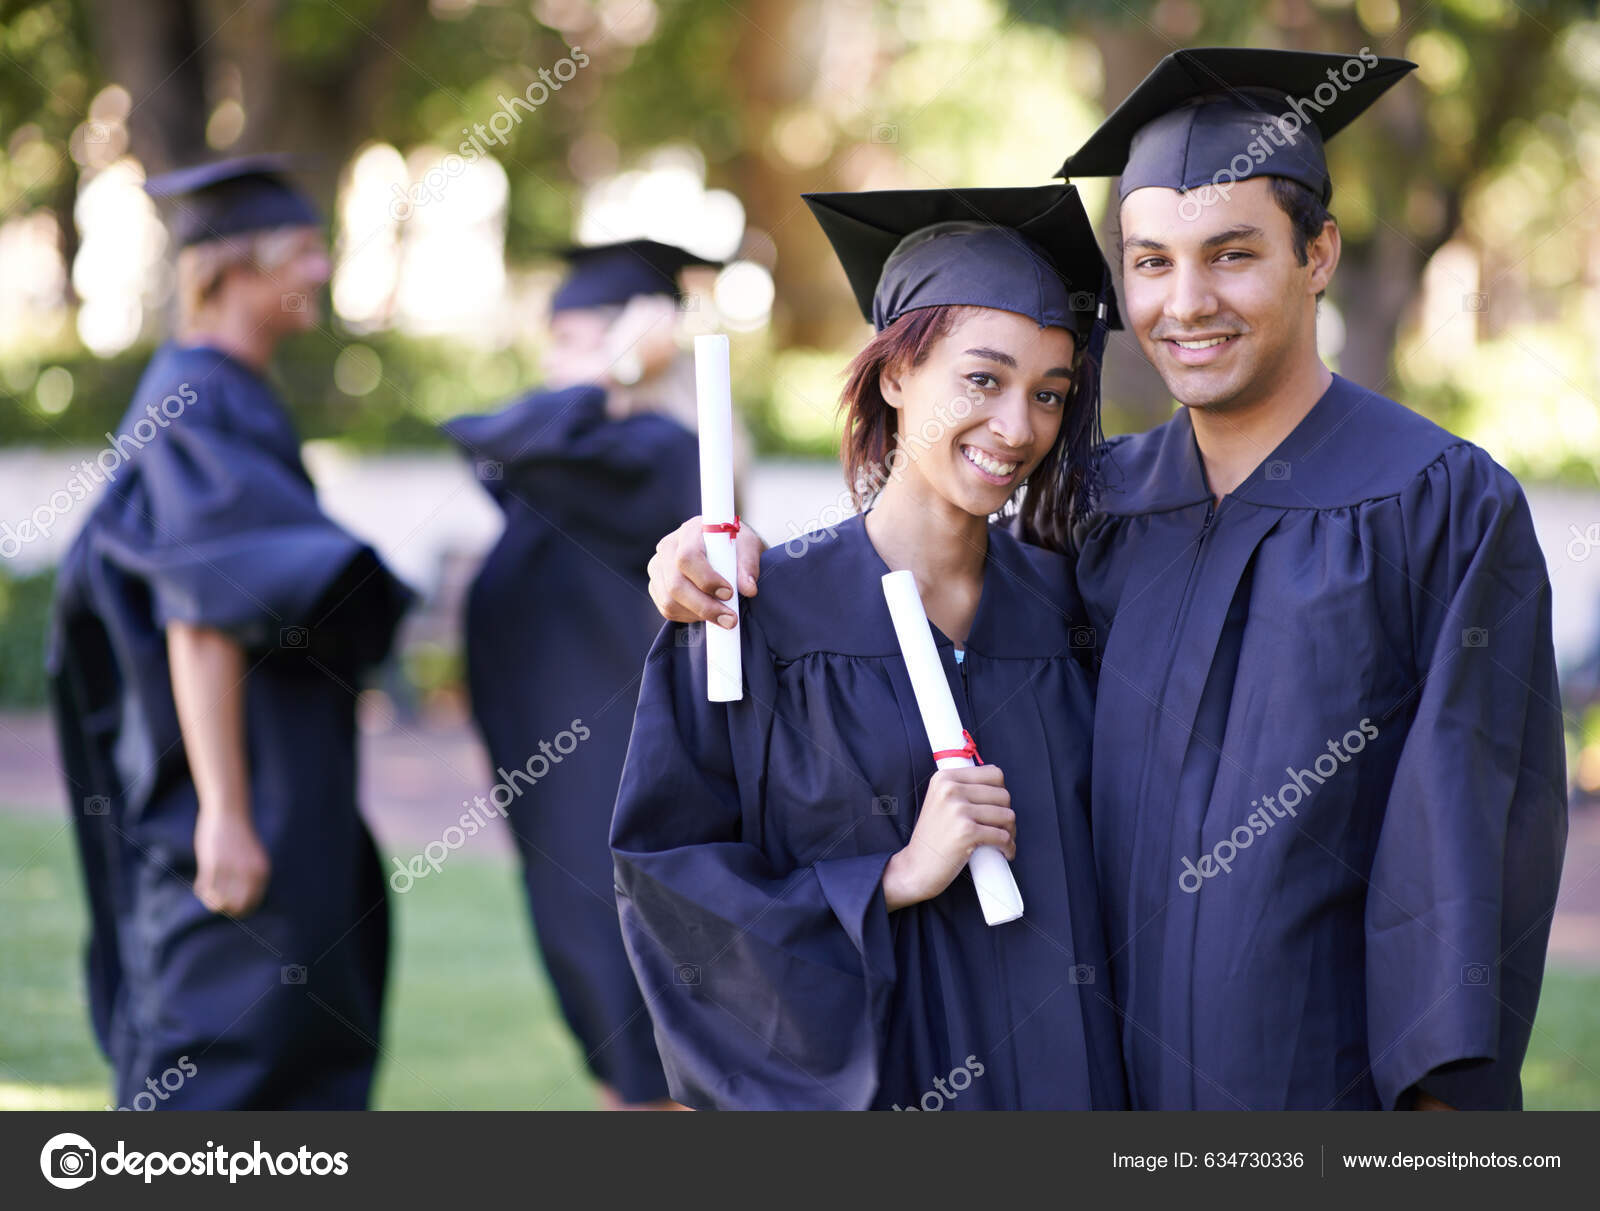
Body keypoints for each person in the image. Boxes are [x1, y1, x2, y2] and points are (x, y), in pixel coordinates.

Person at [646, 48, 1569, 1111]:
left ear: (1318, 253)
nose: (1186, 302)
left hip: (1316, 1086)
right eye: (1149, 261)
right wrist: (690, 567)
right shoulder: (1098, 510)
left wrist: (1435, 1105)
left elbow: (1463, 841)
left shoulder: (1436, 503)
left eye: (1231, 255)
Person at [611, 184, 1128, 1110]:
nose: (1018, 427)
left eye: (1050, 394)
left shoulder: (1076, 611)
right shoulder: (754, 620)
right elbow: (671, 891)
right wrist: (889, 879)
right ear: (895, 376)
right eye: (983, 378)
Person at [47, 155, 412, 1109]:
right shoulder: (200, 399)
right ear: (228, 268)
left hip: (275, 788)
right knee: (219, 1072)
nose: (321, 273)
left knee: (288, 1056)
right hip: (228, 801)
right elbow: (200, 613)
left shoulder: (228, 394)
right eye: (301, 251)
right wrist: (227, 813)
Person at [441, 240, 711, 1109]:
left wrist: (623, 367)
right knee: (600, 1011)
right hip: (547, 789)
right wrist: (602, 372)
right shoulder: (564, 458)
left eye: (580, 337)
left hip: (611, 787)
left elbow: (506, 432)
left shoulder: (658, 453)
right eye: (556, 340)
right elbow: (486, 436)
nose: (560, 363)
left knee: (640, 1022)